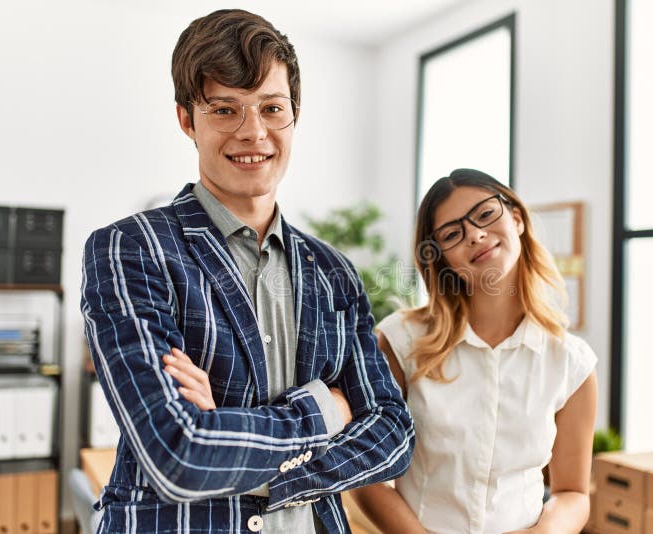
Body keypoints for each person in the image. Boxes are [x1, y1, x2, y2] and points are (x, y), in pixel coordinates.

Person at [80, 9, 414, 533]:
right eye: (225, 109)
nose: (253, 132)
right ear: (187, 119)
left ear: (294, 115)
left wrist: (239, 442)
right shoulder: (130, 249)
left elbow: (392, 433)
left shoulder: (333, 273)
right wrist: (325, 411)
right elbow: (179, 453)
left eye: (271, 108)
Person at [349, 169, 598, 533]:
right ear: (440, 256)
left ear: (516, 219)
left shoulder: (571, 363)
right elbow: (362, 470)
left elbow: (573, 492)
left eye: (485, 215)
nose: (476, 235)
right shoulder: (401, 341)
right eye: (453, 234)